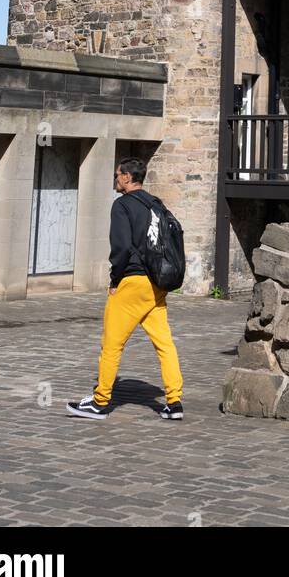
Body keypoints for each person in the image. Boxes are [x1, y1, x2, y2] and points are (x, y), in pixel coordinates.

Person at [67, 157, 184, 420]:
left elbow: (120, 248)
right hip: (157, 284)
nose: (115, 179)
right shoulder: (155, 204)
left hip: (132, 282)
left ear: (128, 177)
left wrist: (114, 280)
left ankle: (99, 402)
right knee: (164, 344)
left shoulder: (122, 206)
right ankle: (174, 402)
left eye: (117, 175)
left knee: (111, 345)